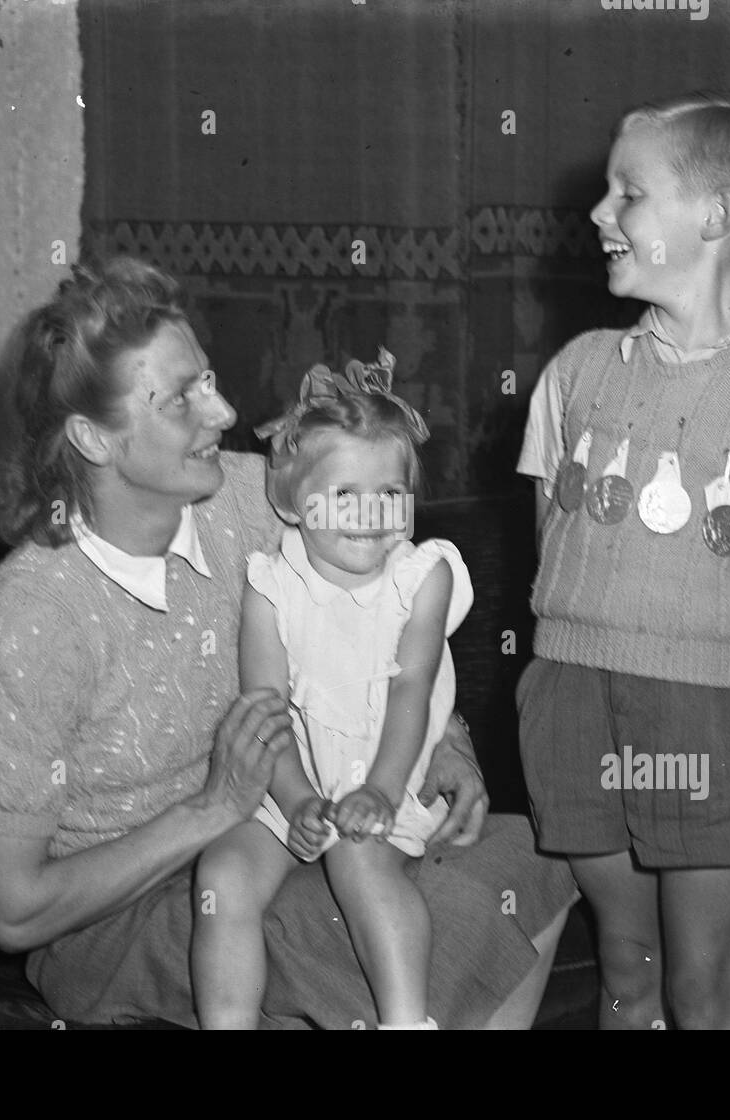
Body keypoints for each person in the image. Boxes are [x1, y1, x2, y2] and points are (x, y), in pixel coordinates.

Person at [0, 256, 576, 1029]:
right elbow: (14, 913)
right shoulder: (21, 627)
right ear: (94, 438)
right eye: (183, 398)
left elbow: (382, 611)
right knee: (398, 927)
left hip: (291, 821)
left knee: (527, 856)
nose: (224, 411)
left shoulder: (249, 495)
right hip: (120, 914)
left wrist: (446, 744)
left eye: (209, 382)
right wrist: (213, 806)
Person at [516, 90, 730, 1029]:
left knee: (702, 984)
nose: (598, 213)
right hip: (573, 703)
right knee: (626, 963)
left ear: (714, 215)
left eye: (628, 194)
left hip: (710, 715)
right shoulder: (572, 373)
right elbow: (553, 550)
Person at [193, 350, 471, 1030]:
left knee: (358, 855)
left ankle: (406, 1021)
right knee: (222, 874)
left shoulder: (422, 578)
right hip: (293, 781)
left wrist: (379, 790)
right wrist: (294, 801)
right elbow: (267, 708)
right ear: (293, 499)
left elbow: (412, 692)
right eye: (344, 495)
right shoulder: (271, 586)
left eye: (390, 494)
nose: (370, 514)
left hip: (389, 775)